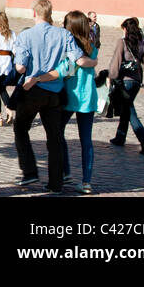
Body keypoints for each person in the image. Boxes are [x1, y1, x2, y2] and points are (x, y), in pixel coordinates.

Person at [12, 0, 84, 192]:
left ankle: (29, 171)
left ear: (34, 13)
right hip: (55, 91)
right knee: (55, 137)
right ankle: (56, 184)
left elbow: (20, 67)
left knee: (20, 128)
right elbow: (75, 61)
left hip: (33, 89)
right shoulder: (64, 34)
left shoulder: (26, 35)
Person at [58, 11, 99, 194]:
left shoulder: (68, 46)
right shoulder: (92, 46)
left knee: (57, 132)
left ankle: (66, 171)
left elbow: (68, 69)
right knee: (86, 140)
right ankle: (86, 181)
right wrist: (91, 62)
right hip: (88, 96)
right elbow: (89, 62)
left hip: (70, 94)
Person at [107, 17, 144, 154]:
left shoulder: (122, 42)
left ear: (125, 29)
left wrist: (111, 76)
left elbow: (116, 61)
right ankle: (120, 136)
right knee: (126, 109)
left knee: (130, 112)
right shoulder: (141, 44)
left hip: (125, 80)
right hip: (136, 80)